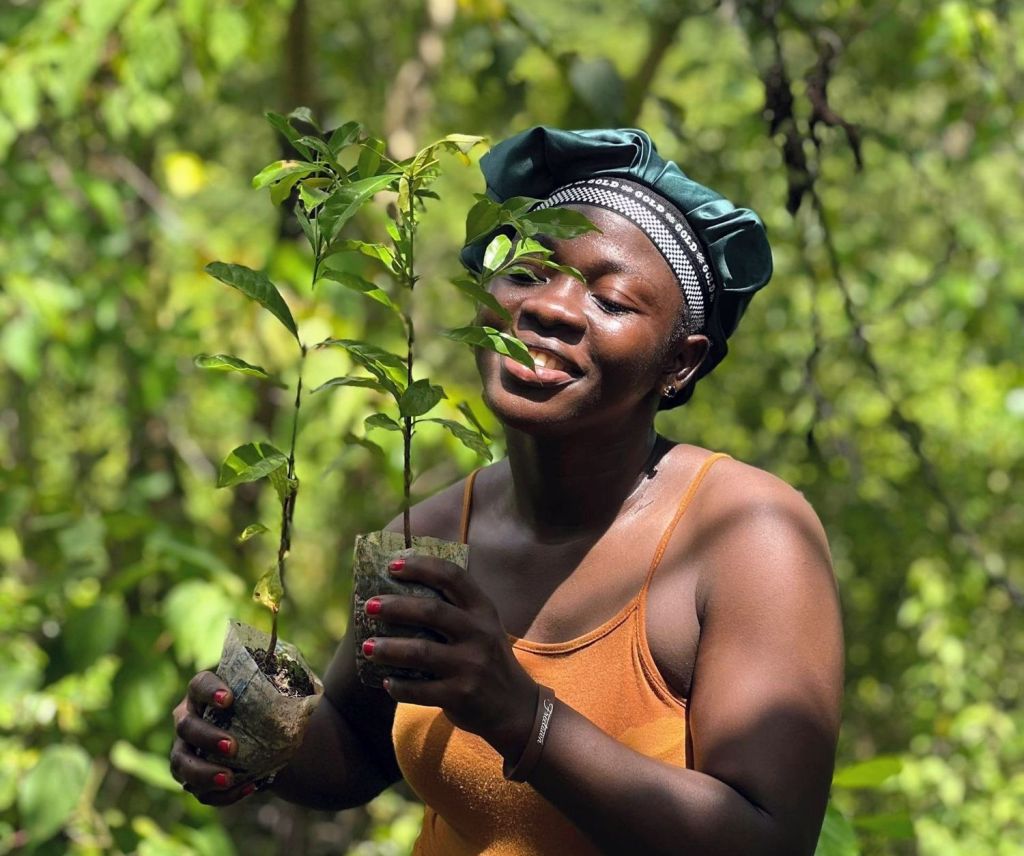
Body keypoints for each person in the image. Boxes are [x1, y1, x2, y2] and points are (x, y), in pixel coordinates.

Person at [171, 127, 844, 855]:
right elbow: (358, 748)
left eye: (612, 301)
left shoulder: (747, 536)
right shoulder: (428, 531)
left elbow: (771, 841)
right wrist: (254, 740)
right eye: (526, 272)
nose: (551, 307)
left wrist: (519, 713)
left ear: (679, 365)